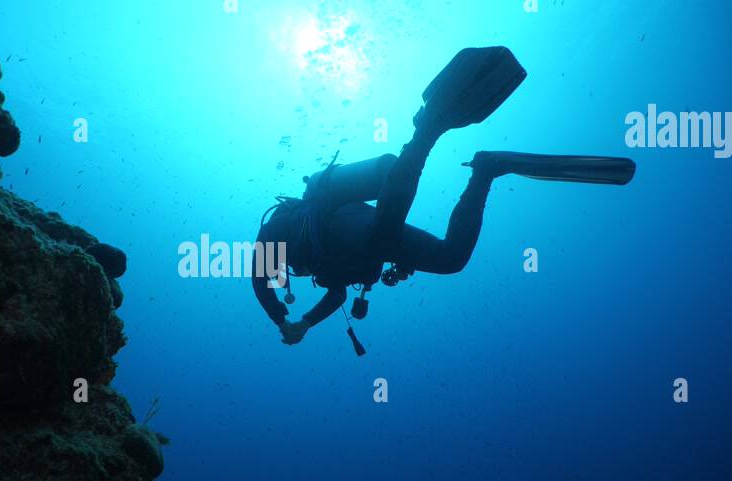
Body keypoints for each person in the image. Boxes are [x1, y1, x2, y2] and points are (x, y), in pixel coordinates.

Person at [252, 47, 635, 347]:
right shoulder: (317, 269)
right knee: (450, 259)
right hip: (365, 242)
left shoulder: (276, 231)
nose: (283, 275)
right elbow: (336, 293)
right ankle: (486, 171)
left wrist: (279, 319)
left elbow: (257, 278)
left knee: (380, 236)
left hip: (335, 220)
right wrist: (302, 322)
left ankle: (429, 127)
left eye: (281, 272)